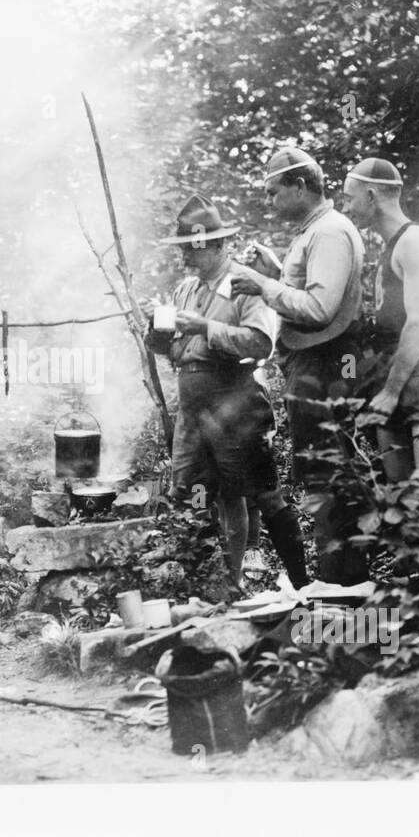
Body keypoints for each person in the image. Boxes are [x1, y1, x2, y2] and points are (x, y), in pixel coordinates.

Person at [144, 194, 310, 589]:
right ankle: (224, 585)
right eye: (183, 248)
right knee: (201, 495)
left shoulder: (246, 284)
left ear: (218, 246)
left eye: (193, 249)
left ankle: (305, 586)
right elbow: (171, 347)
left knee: (263, 493)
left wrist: (204, 328)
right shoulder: (186, 290)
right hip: (193, 408)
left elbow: (259, 343)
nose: (185, 257)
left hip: (235, 403)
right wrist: (157, 333)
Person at [231, 147, 369, 586]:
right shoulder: (313, 232)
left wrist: (263, 284)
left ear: (300, 186)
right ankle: (339, 581)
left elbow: (319, 309)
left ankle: (344, 585)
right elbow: (306, 289)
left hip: (323, 365)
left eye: (274, 192)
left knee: (328, 474)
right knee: (321, 471)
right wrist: (274, 269)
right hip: (312, 364)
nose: (269, 201)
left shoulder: (328, 232)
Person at [342, 157, 419, 482]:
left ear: (371, 196)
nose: (346, 207)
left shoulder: (414, 241)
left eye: (349, 198)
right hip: (393, 370)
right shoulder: (391, 247)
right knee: (401, 496)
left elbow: (418, 321)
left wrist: (392, 391)